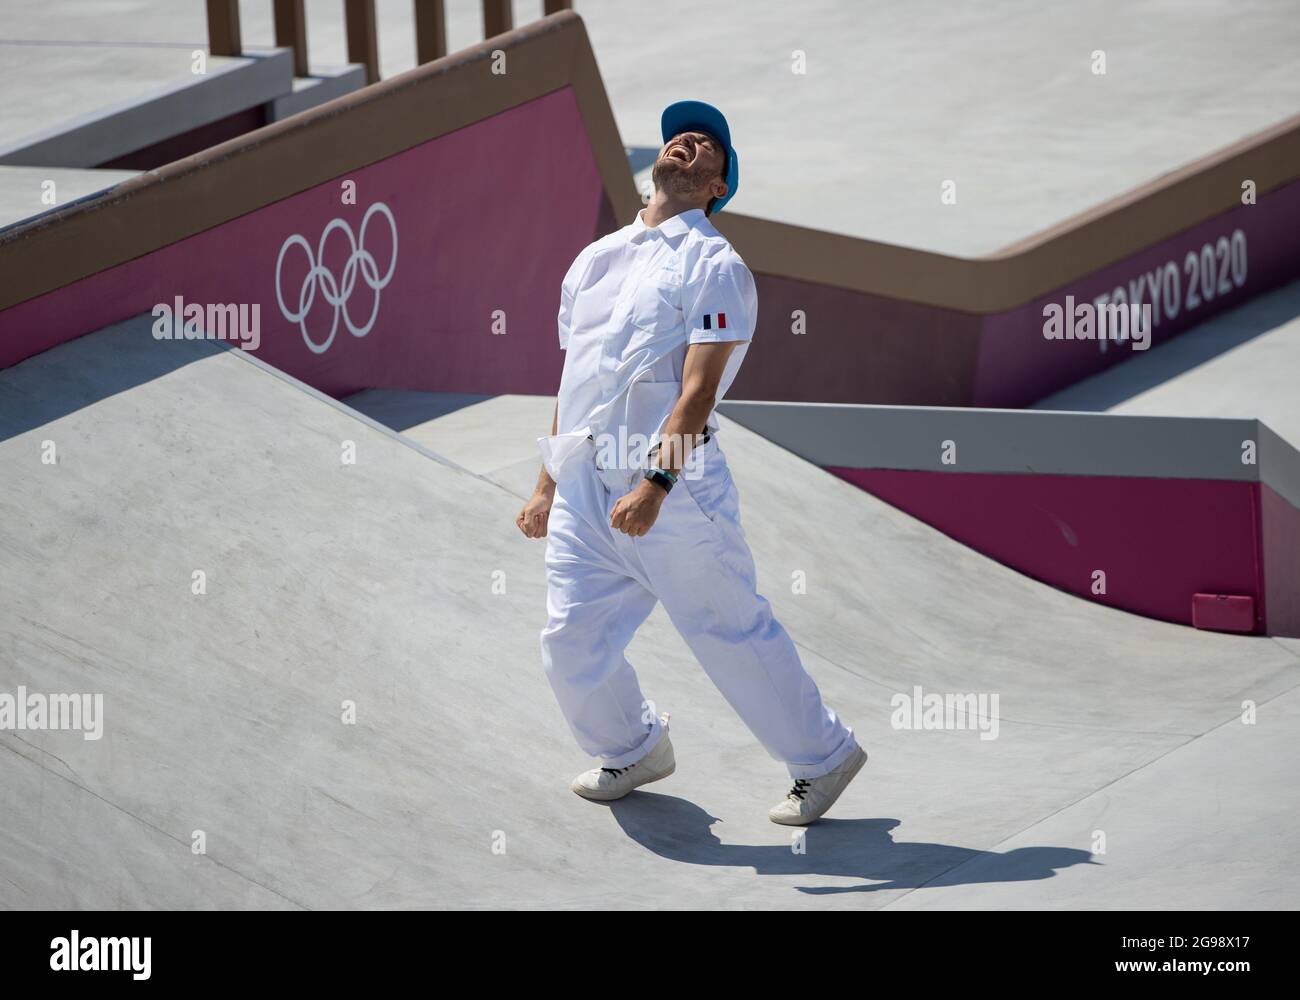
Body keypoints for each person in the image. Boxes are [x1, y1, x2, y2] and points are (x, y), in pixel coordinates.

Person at [516, 100, 865, 826]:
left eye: (711, 146)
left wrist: (656, 484)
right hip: (584, 485)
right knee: (570, 639)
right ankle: (634, 744)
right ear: (660, 158)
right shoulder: (594, 260)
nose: (692, 140)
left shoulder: (715, 264)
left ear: (717, 187)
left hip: (673, 489)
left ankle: (824, 757)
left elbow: (698, 390)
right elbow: (573, 380)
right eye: (683, 132)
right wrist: (547, 482)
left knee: (727, 630)